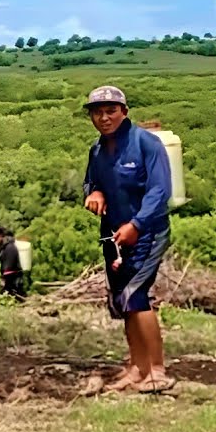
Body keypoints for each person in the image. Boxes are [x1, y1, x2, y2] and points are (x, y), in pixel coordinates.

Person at [81, 86, 175, 394]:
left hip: (147, 231)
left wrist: (137, 224)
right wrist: (92, 193)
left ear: (124, 111)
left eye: (111, 110)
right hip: (112, 234)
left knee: (136, 295)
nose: (104, 117)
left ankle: (157, 371)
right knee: (122, 300)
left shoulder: (146, 144)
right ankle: (136, 368)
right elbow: (91, 182)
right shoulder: (97, 151)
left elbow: (160, 191)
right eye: (97, 112)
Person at [0, 226, 27, 301]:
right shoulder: (5, 246)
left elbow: (9, 265)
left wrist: (4, 279)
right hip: (11, 278)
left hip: (13, 279)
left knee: (17, 297)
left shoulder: (9, 247)